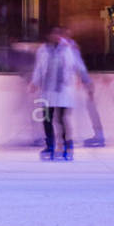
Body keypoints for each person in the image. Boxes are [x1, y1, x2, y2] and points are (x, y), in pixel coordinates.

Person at [30, 25, 91, 161]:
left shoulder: (68, 49)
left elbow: (78, 65)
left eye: (58, 34)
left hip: (63, 91)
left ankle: (66, 145)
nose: (56, 36)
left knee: (62, 119)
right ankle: (50, 145)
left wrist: (85, 80)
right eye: (53, 34)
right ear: (49, 36)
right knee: (47, 119)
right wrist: (34, 82)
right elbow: (39, 68)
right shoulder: (43, 50)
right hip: (47, 91)